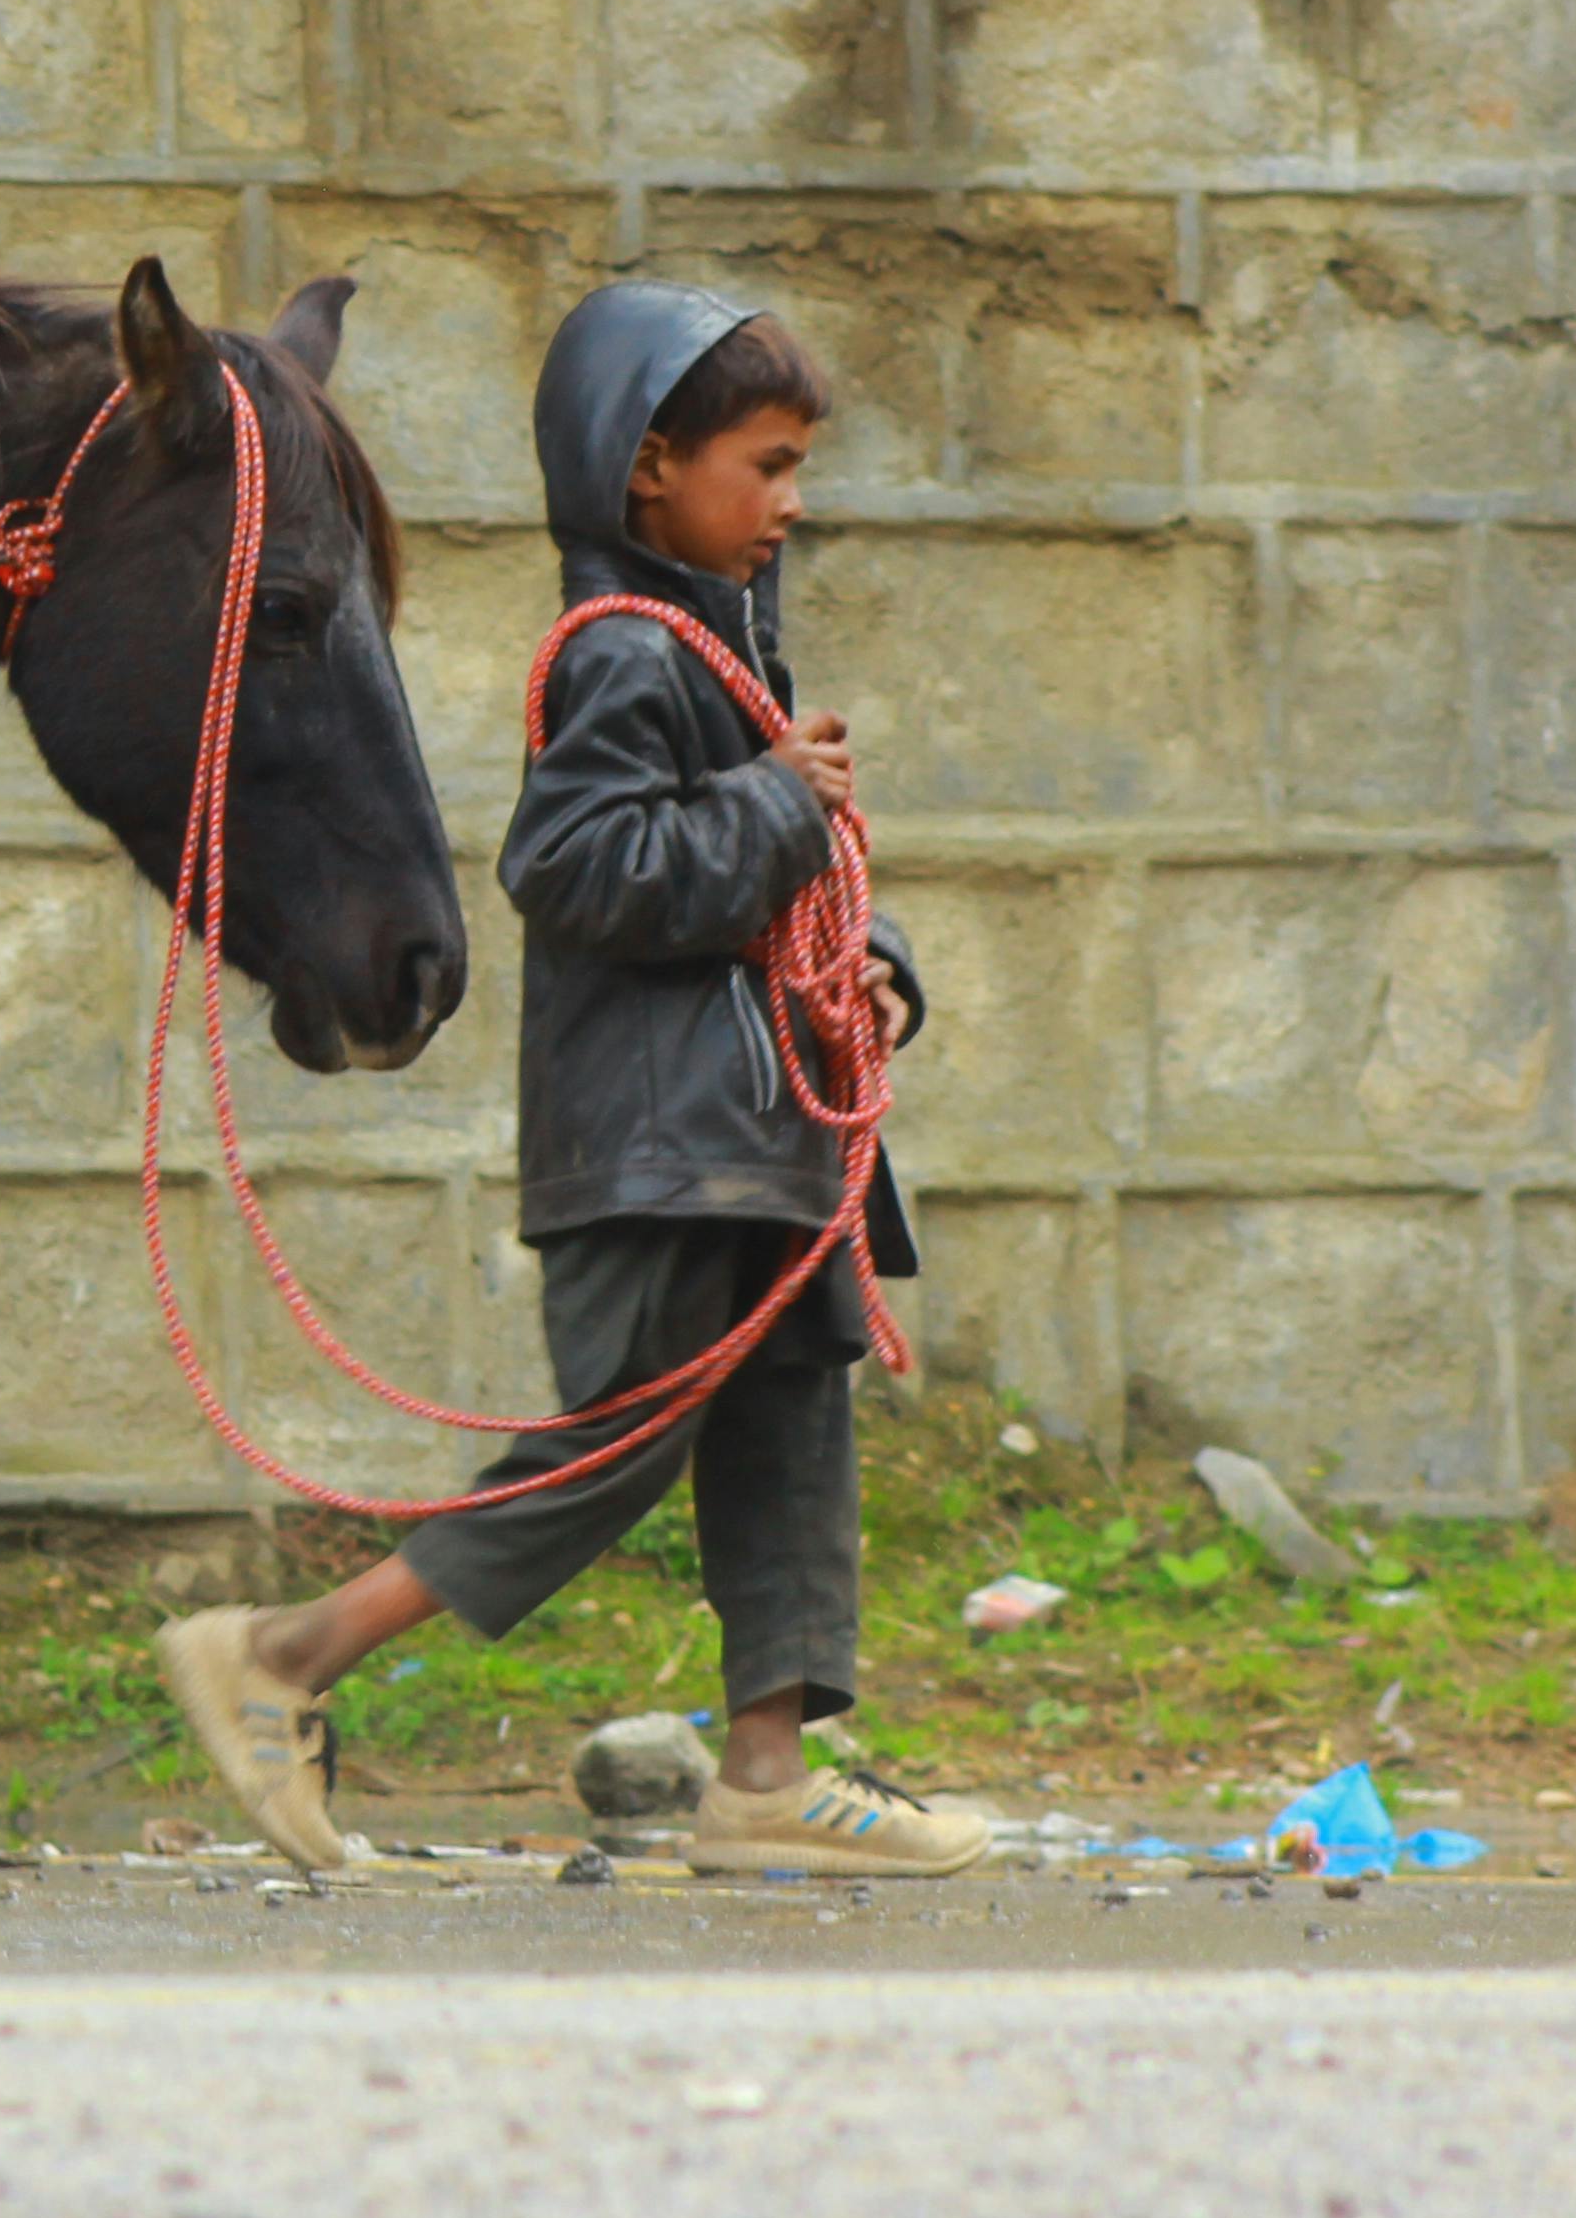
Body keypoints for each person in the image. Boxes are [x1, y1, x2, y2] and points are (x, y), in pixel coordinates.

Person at [153, 280, 991, 1880]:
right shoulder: (620, 648)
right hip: (662, 1147)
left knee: (788, 1431)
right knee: (617, 1447)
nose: (794, 502)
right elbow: (581, 865)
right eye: (768, 463)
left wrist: (872, 959)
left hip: (757, 1141)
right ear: (647, 471)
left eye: (802, 463)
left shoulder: (724, 647)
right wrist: (776, 809)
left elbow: (773, 875)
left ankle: (767, 1775)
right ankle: (284, 1654)